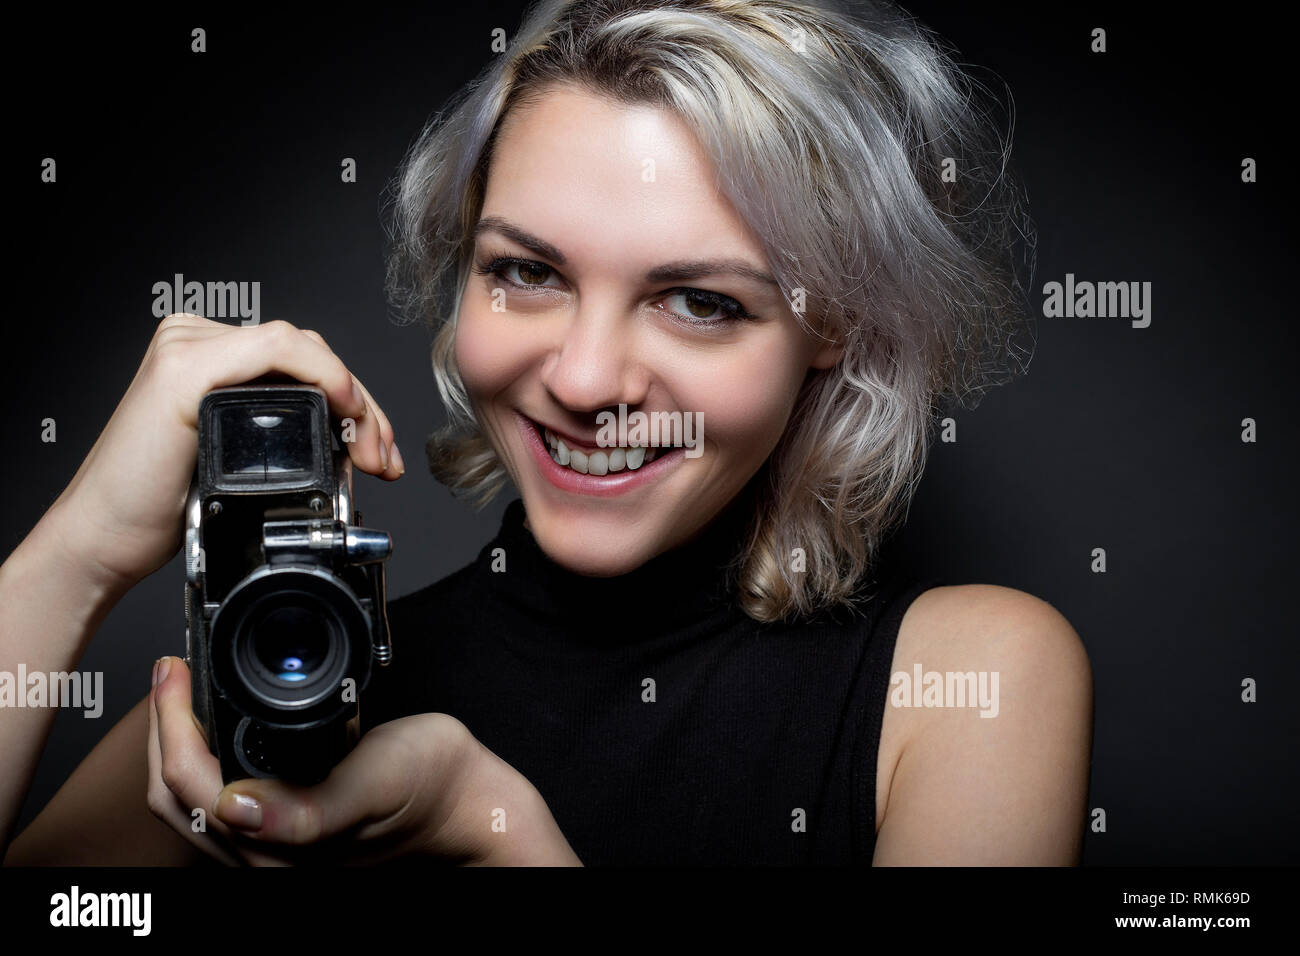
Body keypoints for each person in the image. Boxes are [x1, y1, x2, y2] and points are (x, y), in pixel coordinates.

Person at [1, 0, 1091, 866]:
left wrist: (494, 832)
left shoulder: (967, 678)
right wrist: (79, 549)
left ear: (833, 324)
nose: (580, 377)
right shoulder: (284, 684)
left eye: (700, 301)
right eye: (526, 272)